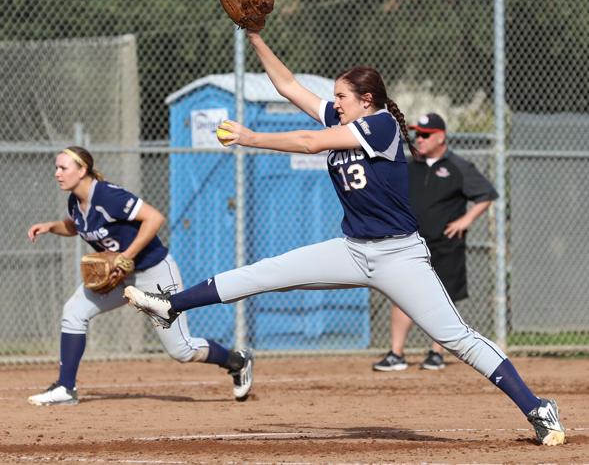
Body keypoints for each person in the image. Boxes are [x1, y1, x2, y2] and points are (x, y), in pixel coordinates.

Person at [124, 31, 565, 445]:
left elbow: (311, 143)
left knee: (457, 338)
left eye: (341, 96)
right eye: (334, 97)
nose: (334, 103)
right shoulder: (345, 117)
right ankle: (170, 305)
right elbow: (288, 86)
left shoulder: (381, 126)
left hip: (399, 255)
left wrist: (251, 137)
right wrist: (256, 36)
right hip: (353, 250)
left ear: (366, 100)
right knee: (265, 273)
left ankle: (537, 407)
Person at [27, 146, 253, 406]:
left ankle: (237, 361)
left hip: (154, 272)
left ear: (82, 170)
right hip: (120, 276)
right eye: (56, 167)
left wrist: (127, 256)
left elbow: (155, 218)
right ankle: (66, 388)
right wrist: (50, 227)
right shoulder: (75, 202)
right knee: (74, 312)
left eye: (63, 168)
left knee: (180, 350)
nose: (57, 173)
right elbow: (74, 226)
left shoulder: (108, 196)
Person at [373, 113, 498, 372]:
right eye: (417, 133)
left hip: (444, 244)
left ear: (440, 137)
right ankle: (396, 353)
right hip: (409, 242)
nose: (419, 138)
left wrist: (466, 220)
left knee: (442, 297)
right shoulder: (407, 165)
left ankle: (436, 352)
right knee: (401, 294)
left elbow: (486, 195)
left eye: (425, 134)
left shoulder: (458, 166)